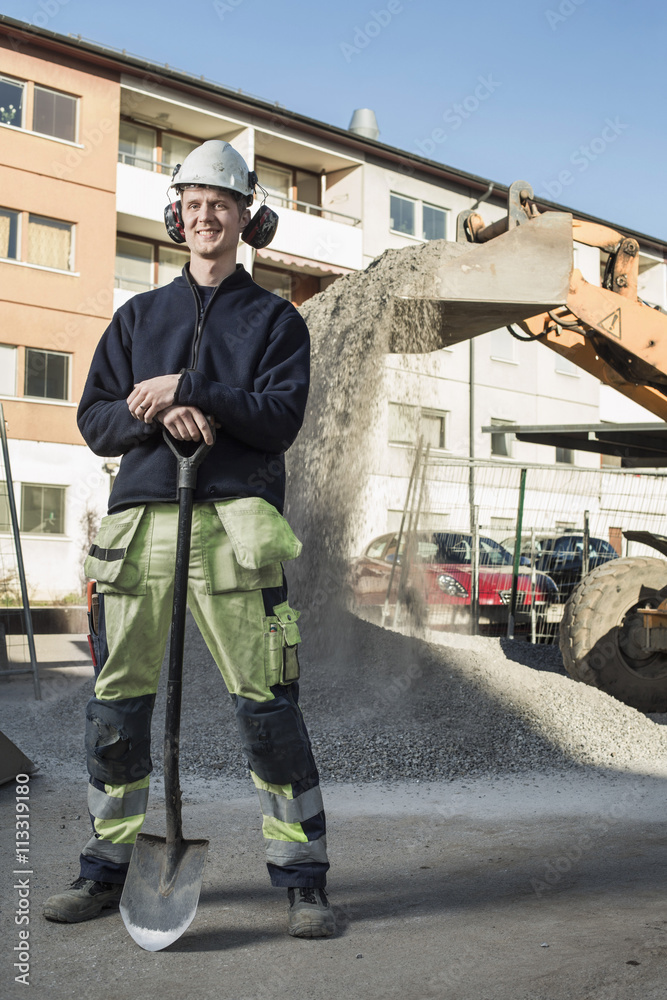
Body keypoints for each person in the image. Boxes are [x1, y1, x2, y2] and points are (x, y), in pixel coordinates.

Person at [43, 140, 335, 939]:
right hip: (140, 530)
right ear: (178, 217)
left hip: (234, 530)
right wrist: (157, 409)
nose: (206, 216)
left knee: (268, 709)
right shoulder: (138, 317)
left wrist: (194, 387)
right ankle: (104, 869)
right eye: (193, 204)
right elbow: (96, 419)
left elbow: (278, 420)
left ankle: (303, 879)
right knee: (115, 710)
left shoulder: (275, 320)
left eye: (222, 204)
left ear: (246, 218)